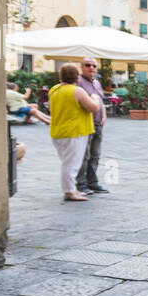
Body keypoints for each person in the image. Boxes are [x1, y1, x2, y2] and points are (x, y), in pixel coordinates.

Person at [48, 62, 100, 203]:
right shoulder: (77, 91)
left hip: (58, 131)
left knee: (67, 163)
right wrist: (95, 97)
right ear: (77, 77)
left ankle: (71, 189)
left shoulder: (53, 90)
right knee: (71, 165)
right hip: (75, 132)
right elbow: (94, 108)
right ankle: (70, 192)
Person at [75, 59, 109, 195]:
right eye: (88, 65)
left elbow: (100, 100)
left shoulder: (97, 82)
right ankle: (81, 184)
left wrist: (104, 115)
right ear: (81, 67)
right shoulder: (77, 82)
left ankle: (93, 182)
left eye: (94, 66)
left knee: (95, 154)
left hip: (98, 123)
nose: (91, 68)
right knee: (84, 155)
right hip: (85, 124)